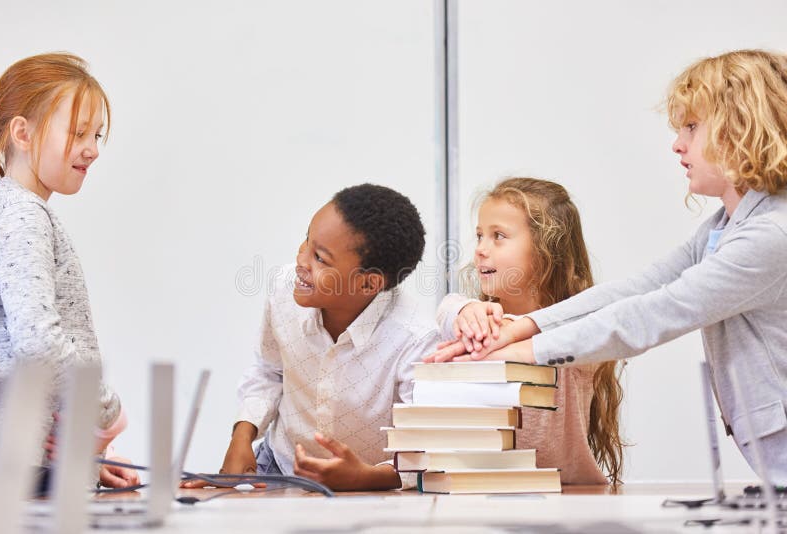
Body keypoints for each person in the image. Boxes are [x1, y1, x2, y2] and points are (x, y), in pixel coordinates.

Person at [428, 49, 787, 483]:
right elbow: (638, 288)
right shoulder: (724, 227)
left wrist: (515, 354)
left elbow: (653, 313)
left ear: (742, 127)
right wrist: (524, 327)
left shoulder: (770, 235)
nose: (678, 144)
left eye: (692, 127)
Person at [183, 184, 439, 491]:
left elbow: (425, 448)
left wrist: (365, 477)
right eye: (306, 240)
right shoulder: (283, 290)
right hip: (280, 464)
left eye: (320, 257)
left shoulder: (416, 338)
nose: (301, 261)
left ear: (369, 284)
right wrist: (242, 438)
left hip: (376, 484)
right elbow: (270, 371)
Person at [0, 53, 138, 488]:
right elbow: (38, 344)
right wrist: (106, 409)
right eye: (77, 133)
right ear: (23, 133)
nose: (92, 148)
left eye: (97, 134)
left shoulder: (7, 209)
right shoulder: (22, 215)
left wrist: (87, 457)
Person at [429, 177, 624, 484]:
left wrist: (504, 327)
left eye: (498, 236)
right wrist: (464, 312)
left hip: (570, 495)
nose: (480, 249)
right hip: (483, 493)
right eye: (480, 236)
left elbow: (581, 331)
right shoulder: (478, 321)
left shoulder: (583, 324)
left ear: (547, 249)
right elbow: (447, 308)